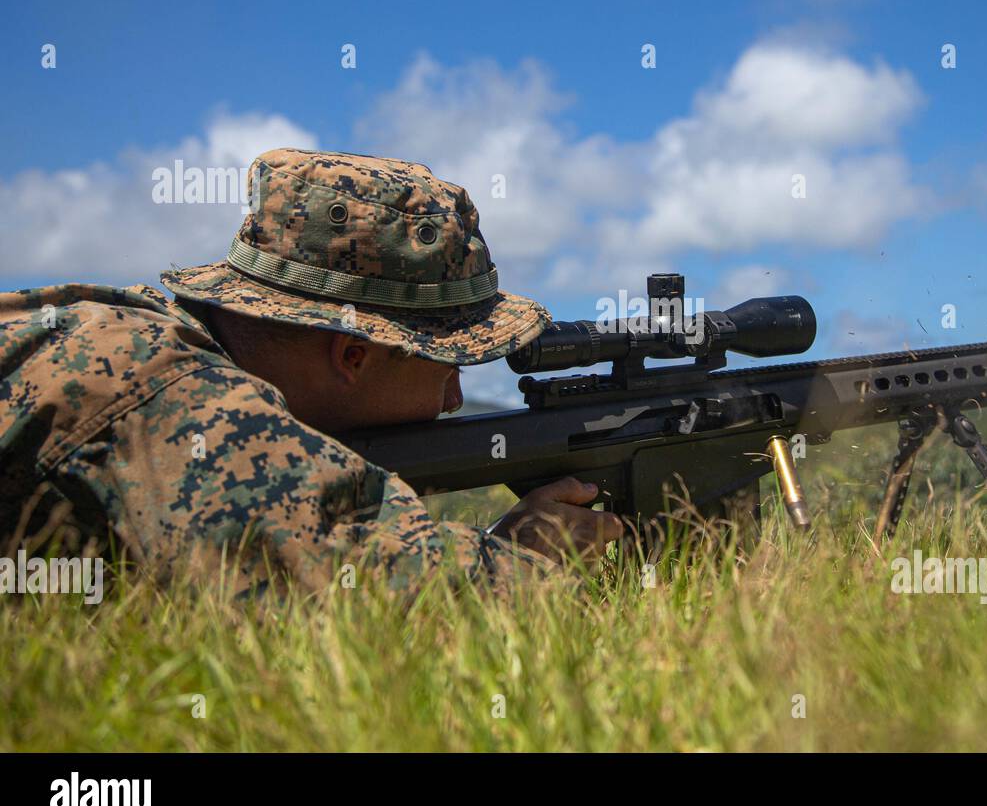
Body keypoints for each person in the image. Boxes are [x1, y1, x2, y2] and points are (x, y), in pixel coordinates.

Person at [0, 148, 623, 596]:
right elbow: (368, 594)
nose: (456, 398)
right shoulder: (167, 385)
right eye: (446, 364)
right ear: (352, 354)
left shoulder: (140, 338)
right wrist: (516, 560)